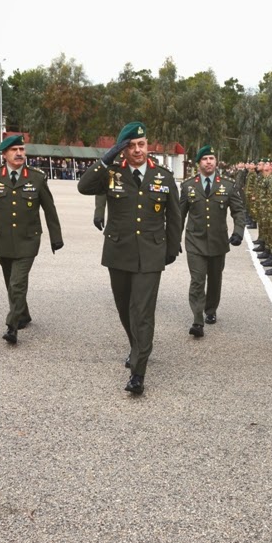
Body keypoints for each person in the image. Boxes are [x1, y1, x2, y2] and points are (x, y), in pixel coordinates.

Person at [78, 122, 182, 396]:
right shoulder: (112, 172)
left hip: (151, 253)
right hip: (119, 251)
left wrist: (172, 248)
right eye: (132, 146)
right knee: (125, 309)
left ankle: (138, 372)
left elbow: (174, 216)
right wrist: (107, 157)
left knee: (143, 312)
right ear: (124, 149)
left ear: (147, 145)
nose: (138, 150)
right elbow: (84, 186)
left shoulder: (164, 176)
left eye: (142, 144)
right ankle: (136, 346)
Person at [0, 134, 64, 344]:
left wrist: (56, 237)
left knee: (18, 282)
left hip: (28, 239)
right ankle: (24, 314)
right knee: (11, 282)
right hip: (2, 239)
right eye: (14, 150)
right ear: (4, 154)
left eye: (22, 149)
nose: (19, 153)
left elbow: (49, 209)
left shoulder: (36, 177)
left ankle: (12, 325)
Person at [179, 145, 245, 337]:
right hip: (195, 241)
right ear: (198, 163)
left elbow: (238, 211)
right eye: (205, 159)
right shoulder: (188, 186)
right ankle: (198, 320)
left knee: (215, 280)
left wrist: (238, 232)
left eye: (211, 158)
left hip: (218, 241)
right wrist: (174, 239)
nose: (209, 162)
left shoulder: (228, 185)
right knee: (197, 280)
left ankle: (211, 309)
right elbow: (179, 215)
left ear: (216, 162)